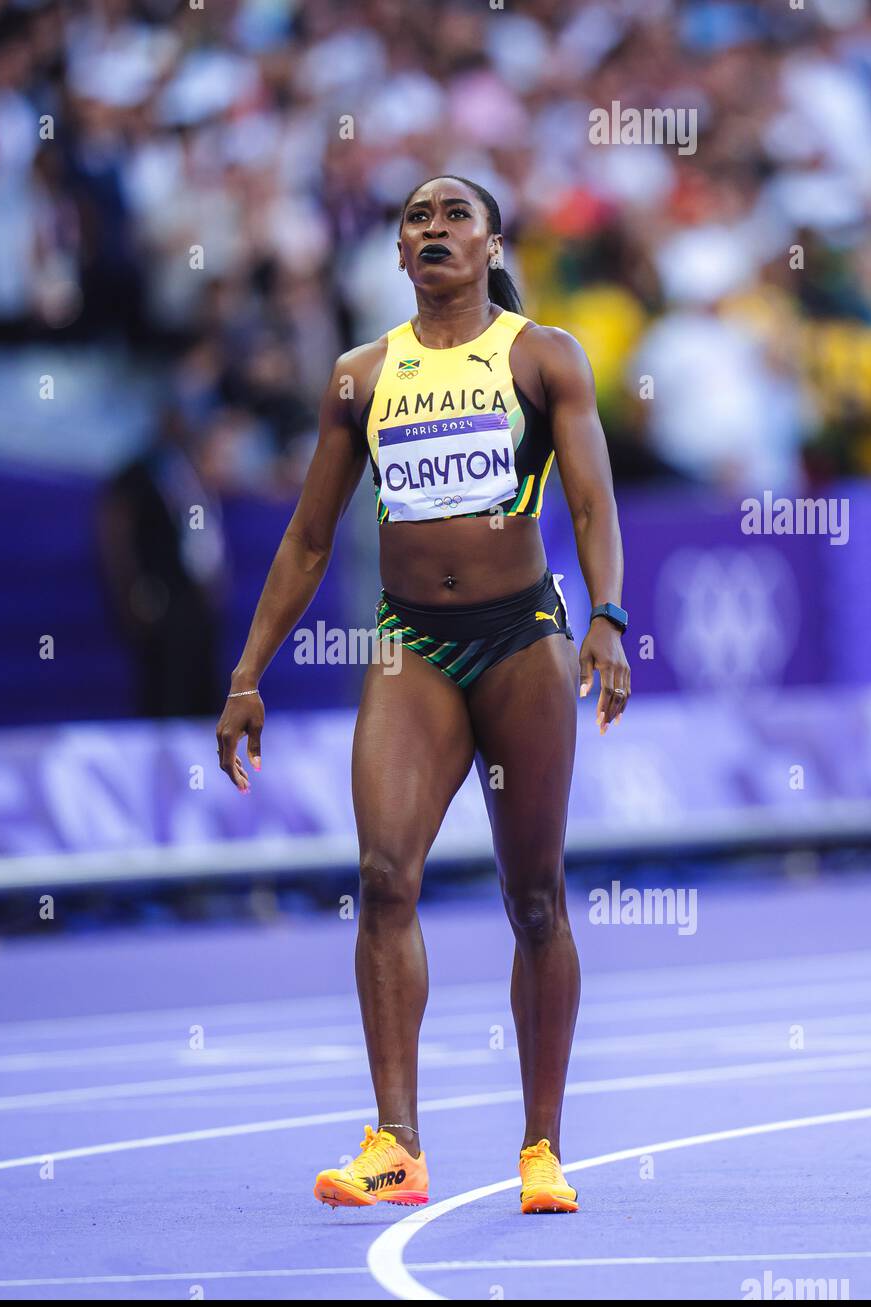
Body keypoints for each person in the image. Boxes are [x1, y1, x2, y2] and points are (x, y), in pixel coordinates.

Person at [216, 175, 629, 1214]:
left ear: (492, 244)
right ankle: (396, 1143)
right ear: (398, 257)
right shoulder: (361, 377)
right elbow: (308, 539)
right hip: (411, 645)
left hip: (520, 638)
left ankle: (542, 1145)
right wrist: (246, 673)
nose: (434, 228)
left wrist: (609, 619)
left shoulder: (543, 355)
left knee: (533, 894)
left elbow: (589, 500)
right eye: (416, 219)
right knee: (383, 874)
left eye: (454, 216)